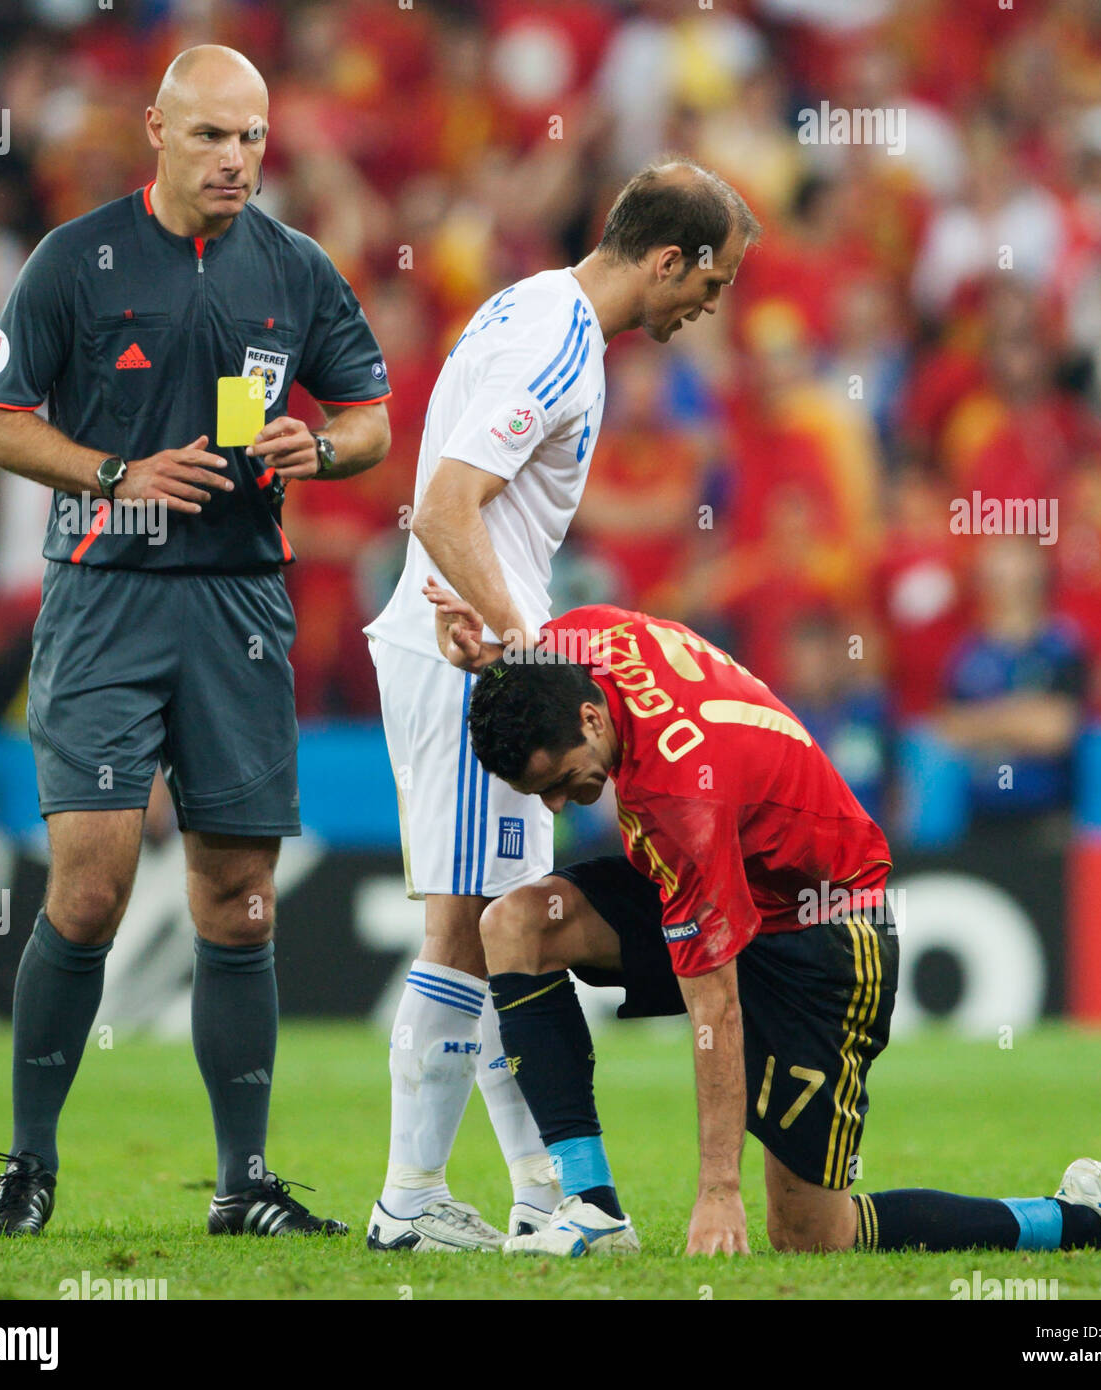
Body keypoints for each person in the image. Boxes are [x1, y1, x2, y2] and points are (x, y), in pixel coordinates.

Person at [427, 581, 1101, 1260]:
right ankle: (590, 1207)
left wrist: (718, 1191)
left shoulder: (680, 796)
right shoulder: (576, 645)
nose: (560, 806)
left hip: (825, 929)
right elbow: (533, 662)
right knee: (517, 924)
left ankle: (1085, 1219)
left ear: (592, 717)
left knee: (810, 1234)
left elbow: (714, 1007)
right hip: (736, 874)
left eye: (560, 782)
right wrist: (490, 659)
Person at [0, 45, 390, 1237]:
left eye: (252, 138)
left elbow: (367, 417)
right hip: (105, 596)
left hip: (240, 604)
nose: (235, 160)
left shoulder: (293, 270)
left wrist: (326, 447)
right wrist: (115, 471)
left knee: (240, 901)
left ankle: (242, 1183)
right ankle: (29, 1164)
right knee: (92, 884)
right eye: (211, 136)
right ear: (156, 129)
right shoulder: (75, 261)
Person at [361, 159, 759, 1251]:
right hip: (470, 660)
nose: (706, 309)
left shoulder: (528, 305)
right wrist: (532, 665)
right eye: (709, 285)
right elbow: (444, 507)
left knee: (497, 922)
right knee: (461, 927)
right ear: (668, 258)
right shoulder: (559, 343)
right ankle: (410, 1199)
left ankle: (541, 1187)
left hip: (464, 645)